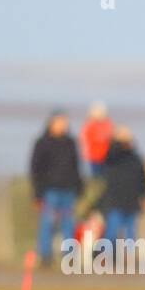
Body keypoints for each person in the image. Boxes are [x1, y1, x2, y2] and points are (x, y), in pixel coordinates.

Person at [29, 110, 83, 266]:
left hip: (69, 190)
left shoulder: (71, 142)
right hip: (50, 190)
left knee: (68, 223)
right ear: (52, 123)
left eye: (65, 122)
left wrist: (79, 187)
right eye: (60, 122)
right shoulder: (42, 143)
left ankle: (69, 255)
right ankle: (45, 255)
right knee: (48, 222)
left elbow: (76, 166)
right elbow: (35, 169)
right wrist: (38, 194)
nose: (63, 125)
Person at [97, 127, 145, 245]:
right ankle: (108, 253)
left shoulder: (136, 159)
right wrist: (116, 140)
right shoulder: (113, 157)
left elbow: (142, 180)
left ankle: (128, 254)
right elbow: (107, 158)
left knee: (130, 234)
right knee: (112, 233)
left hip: (132, 202)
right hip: (115, 201)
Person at [80, 102, 114, 178]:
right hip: (93, 157)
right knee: (95, 176)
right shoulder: (89, 125)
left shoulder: (108, 124)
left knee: (105, 176)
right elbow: (84, 140)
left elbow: (111, 138)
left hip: (106, 156)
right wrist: (85, 154)